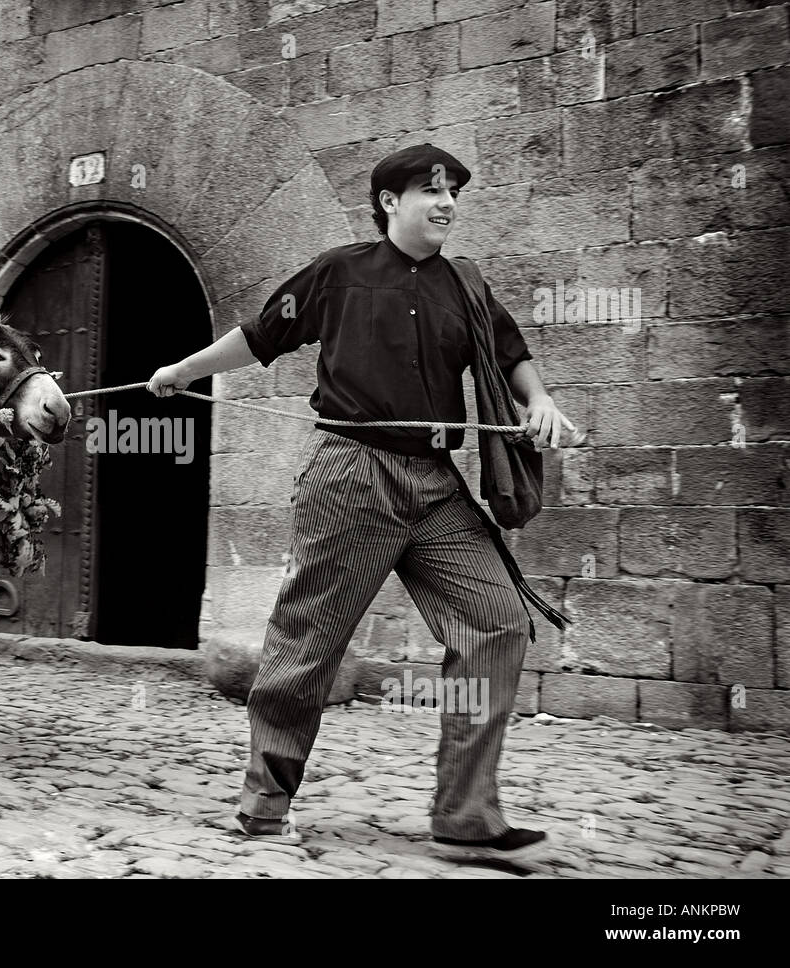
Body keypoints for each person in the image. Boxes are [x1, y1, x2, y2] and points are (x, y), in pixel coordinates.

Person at [147, 144, 575, 860]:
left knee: (497, 620)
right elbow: (261, 337)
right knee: (307, 646)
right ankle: (262, 807)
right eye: (431, 192)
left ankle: (466, 819)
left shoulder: (466, 286)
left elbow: (511, 356)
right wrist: (181, 372)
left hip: (437, 485)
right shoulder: (338, 273)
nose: (447, 205)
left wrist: (542, 403)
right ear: (388, 203)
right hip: (352, 476)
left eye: (454, 195)